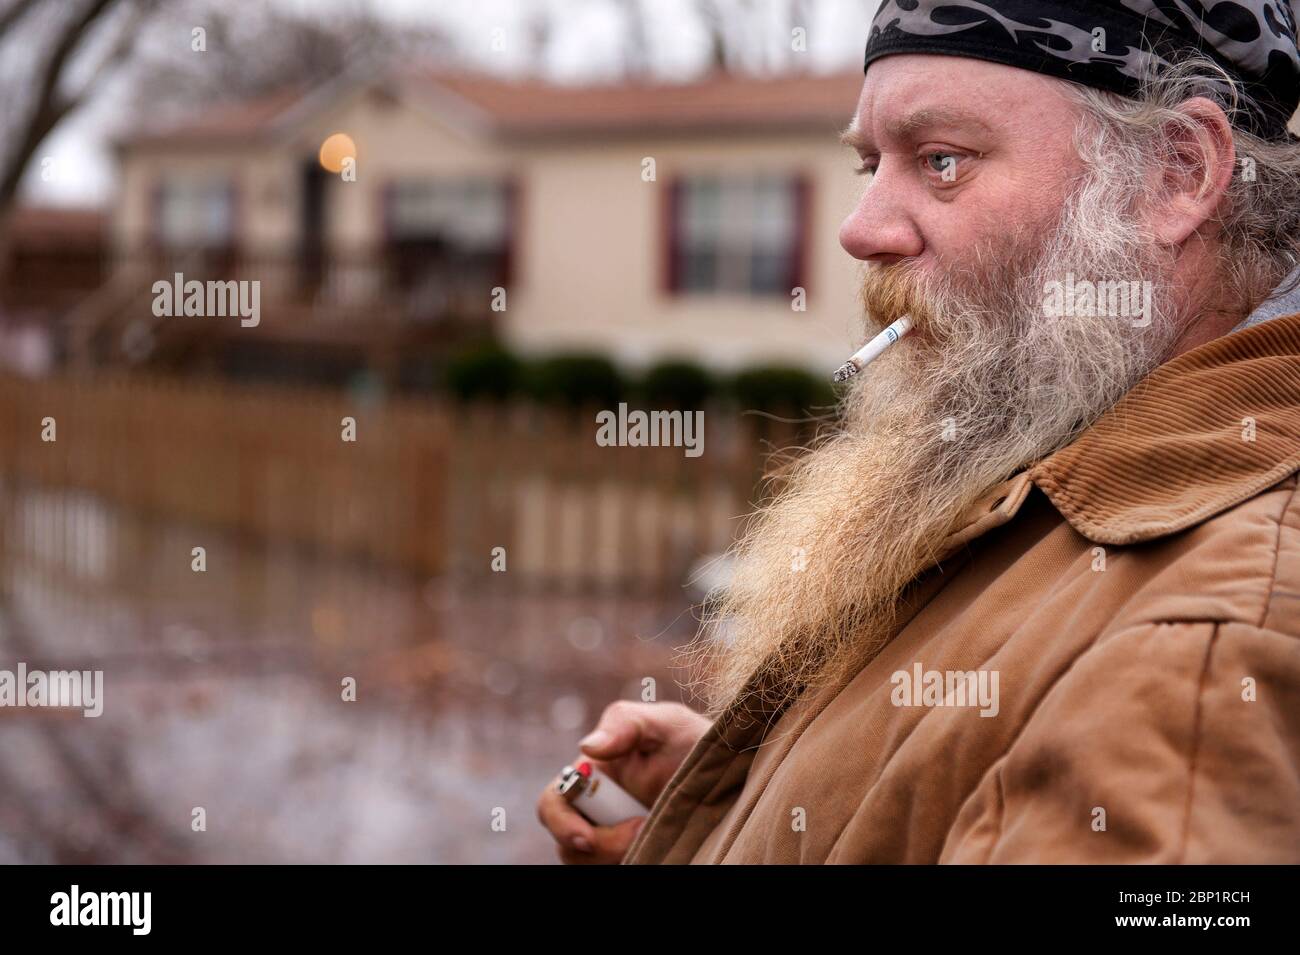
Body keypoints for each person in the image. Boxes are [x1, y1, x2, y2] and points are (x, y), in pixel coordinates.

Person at [538, 0, 1300, 863]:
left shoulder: (1205, 643)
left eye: (942, 160)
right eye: (871, 161)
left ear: (1176, 173)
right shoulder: (1059, 451)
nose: (861, 229)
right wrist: (747, 798)